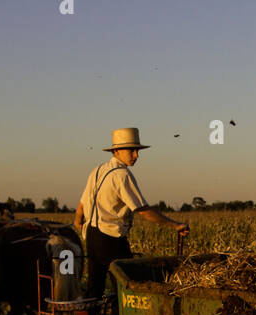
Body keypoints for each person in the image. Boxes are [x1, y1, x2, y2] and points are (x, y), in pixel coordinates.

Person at [75, 127, 187, 300]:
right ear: (117, 151)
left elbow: (80, 207)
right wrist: (175, 225)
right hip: (111, 239)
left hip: (91, 236)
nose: (136, 155)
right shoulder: (122, 175)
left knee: (94, 289)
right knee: (129, 289)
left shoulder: (96, 171)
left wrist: (79, 224)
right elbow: (143, 211)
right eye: (131, 150)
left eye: (137, 151)